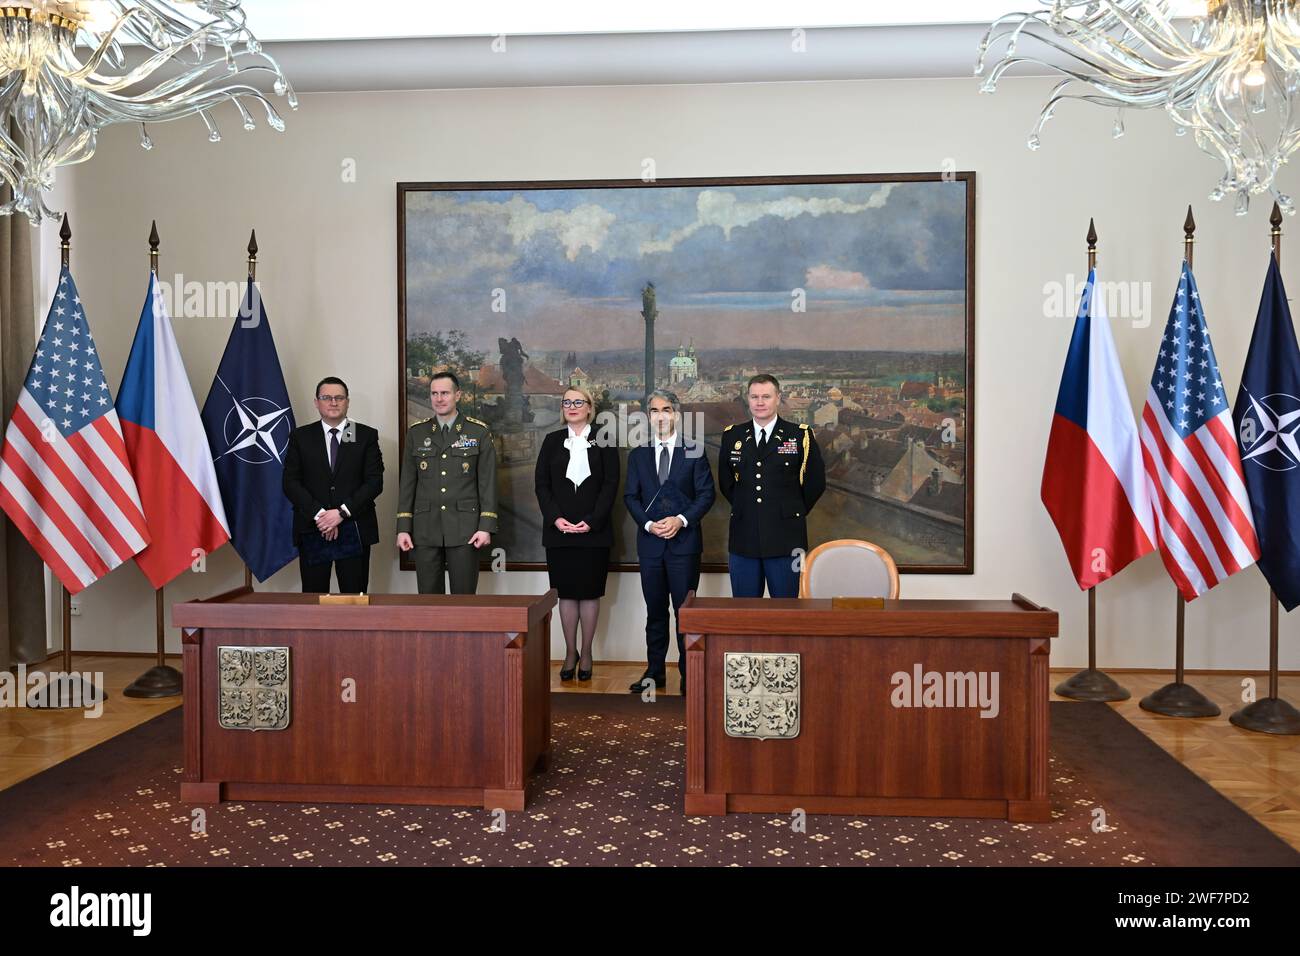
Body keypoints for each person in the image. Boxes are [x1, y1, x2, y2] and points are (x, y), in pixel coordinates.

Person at [624, 389, 715, 694]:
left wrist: (680, 520)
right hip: (650, 545)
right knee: (655, 611)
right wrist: (649, 524)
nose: (660, 416)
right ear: (648, 416)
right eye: (654, 410)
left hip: (684, 545)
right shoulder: (638, 455)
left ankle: (690, 675)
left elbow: (706, 495)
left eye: (666, 410)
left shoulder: (694, 451)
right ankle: (654, 672)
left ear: (676, 414)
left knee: (684, 613)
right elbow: (631, 497)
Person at [535, 385, 619, 681]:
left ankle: (587, 653)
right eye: (566, 402)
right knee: (566, 593)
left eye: (578, 402)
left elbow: (611, 485)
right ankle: (570, 653)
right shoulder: (551, 440)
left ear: (589, 407)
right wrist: (556, 518)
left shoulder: (605, 439)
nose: (571, 406)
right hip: (559, 532)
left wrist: (592, 521)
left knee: (590, 593)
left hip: (594, 532)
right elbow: (542, 485)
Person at [719, 373, 826, 598]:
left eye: (766, 396)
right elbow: (727, 483)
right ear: (747, 399)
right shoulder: (733, 436)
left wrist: (790, 511)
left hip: (786, 539)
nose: (760, 402)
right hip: (744, 538)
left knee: (786, 612)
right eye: (754, 397)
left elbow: (815, 483)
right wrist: (749, 508)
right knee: (745, 613)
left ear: (778, 398)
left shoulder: (799, 436)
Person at [396, 371, 497, 593]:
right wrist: (403, 528)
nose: (439, 399)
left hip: (465, 528)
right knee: (429, 600)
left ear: (457, 395)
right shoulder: (417, 432)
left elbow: (487, 484)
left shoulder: (477, 432)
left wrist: (486, 527)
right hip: (425, 527)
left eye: (444, 393)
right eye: (434, 393)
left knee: (463, 599)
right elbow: (407, 485)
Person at [282, 376, 384, 593]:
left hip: (353, 527)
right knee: (313, 596)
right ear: (316, 402)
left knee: (354, 596)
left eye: (339, 397)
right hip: (313, 527)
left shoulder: (364, 435)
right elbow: (290, 482)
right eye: (326, 397)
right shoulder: (301, 437)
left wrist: (341, 513)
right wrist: (321, 515)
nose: (333, 402)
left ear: (347, 401)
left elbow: (374, 482)